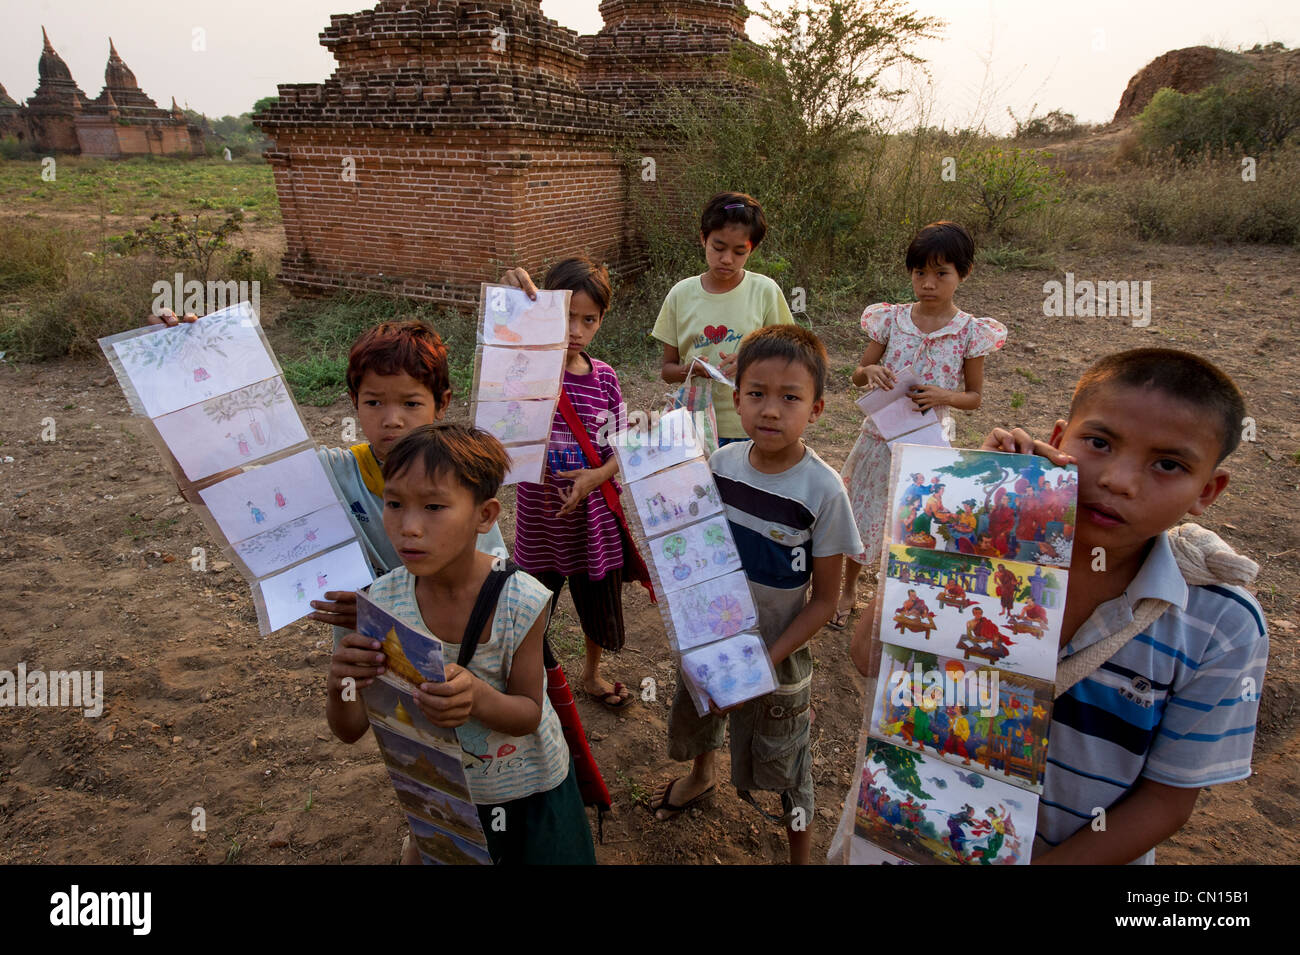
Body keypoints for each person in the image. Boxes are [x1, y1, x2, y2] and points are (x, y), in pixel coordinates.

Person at [852, 347, 1269, 864]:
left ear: (1207, 491)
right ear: (1057, 440)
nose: (1119, 479)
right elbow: (867, 655)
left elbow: (1165, 802)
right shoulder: (992, 547)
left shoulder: (1219, 625)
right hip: (915, 834)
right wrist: (969, 516)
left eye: (1168, 464)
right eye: (1099, 442)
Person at [326, 424, 596, 864]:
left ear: (485, 516)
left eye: (434, 506)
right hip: (442, 796)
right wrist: (342, 682)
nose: (408, 527)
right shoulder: (381, 605)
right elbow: (349, 729)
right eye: (394, 504)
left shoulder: (519, 600)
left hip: (527, 791)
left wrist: (478, 698)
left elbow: (528, 712)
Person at [145, 310, 506, 632]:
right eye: (374, 402)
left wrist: (380, 611)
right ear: (355, 402)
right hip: (363, 662)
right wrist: (177, 384)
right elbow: (214, 491)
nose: (391, 420)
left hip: (457, 656)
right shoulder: (332, 473)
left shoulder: (461, 480)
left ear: (441, 403)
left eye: (410, 403)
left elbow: (489, 589)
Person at [649, 325, 862, 864]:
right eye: (756, 394)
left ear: (816, 410)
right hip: (714, 635)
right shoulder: (719, 467)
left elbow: (824, 601)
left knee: (786, 759)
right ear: (736, 397)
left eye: (790, 397)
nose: (771, 410)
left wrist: (765, 662)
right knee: (702, 707)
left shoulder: (824, 492)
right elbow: (696, 548)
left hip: (778, 650)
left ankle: (799, 854)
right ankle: (702, 775)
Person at [837, 222, 1007, 628]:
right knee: (863, 514)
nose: (928, 283)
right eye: (920, 273)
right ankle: (848, 589)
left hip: (929, 444)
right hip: (879, 437)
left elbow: (974, 397)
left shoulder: (969, 332)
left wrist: (943, 396)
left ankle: (895, 596)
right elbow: (857, 374)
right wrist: (871, 370)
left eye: (941, 273)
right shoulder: (890, 320)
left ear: (963, 274)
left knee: (916, 520)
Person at [500, 259, 635, 709]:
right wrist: (513, 307)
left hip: (591, 524)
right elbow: (499, 395)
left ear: (602, 320)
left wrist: (596, 477)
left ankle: (591, 675)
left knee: (596, 608)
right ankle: (531, 687)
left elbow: (622, 450)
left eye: (588, 319)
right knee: (531, 610)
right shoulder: (526, 369)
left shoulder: (606, 380)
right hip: (539, 523)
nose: (575, 330)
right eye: (564, 316)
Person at [652, 191, 795, 448]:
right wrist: (689, 370)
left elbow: (790, 357)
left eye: (739, 251)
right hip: (693, 426)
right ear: (703, 238)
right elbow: (667, 370)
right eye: (718, 247)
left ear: (753, 248)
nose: (727, 259)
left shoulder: (765, 292)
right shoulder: (681, 294)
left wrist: (751, 365)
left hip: (750, 426)